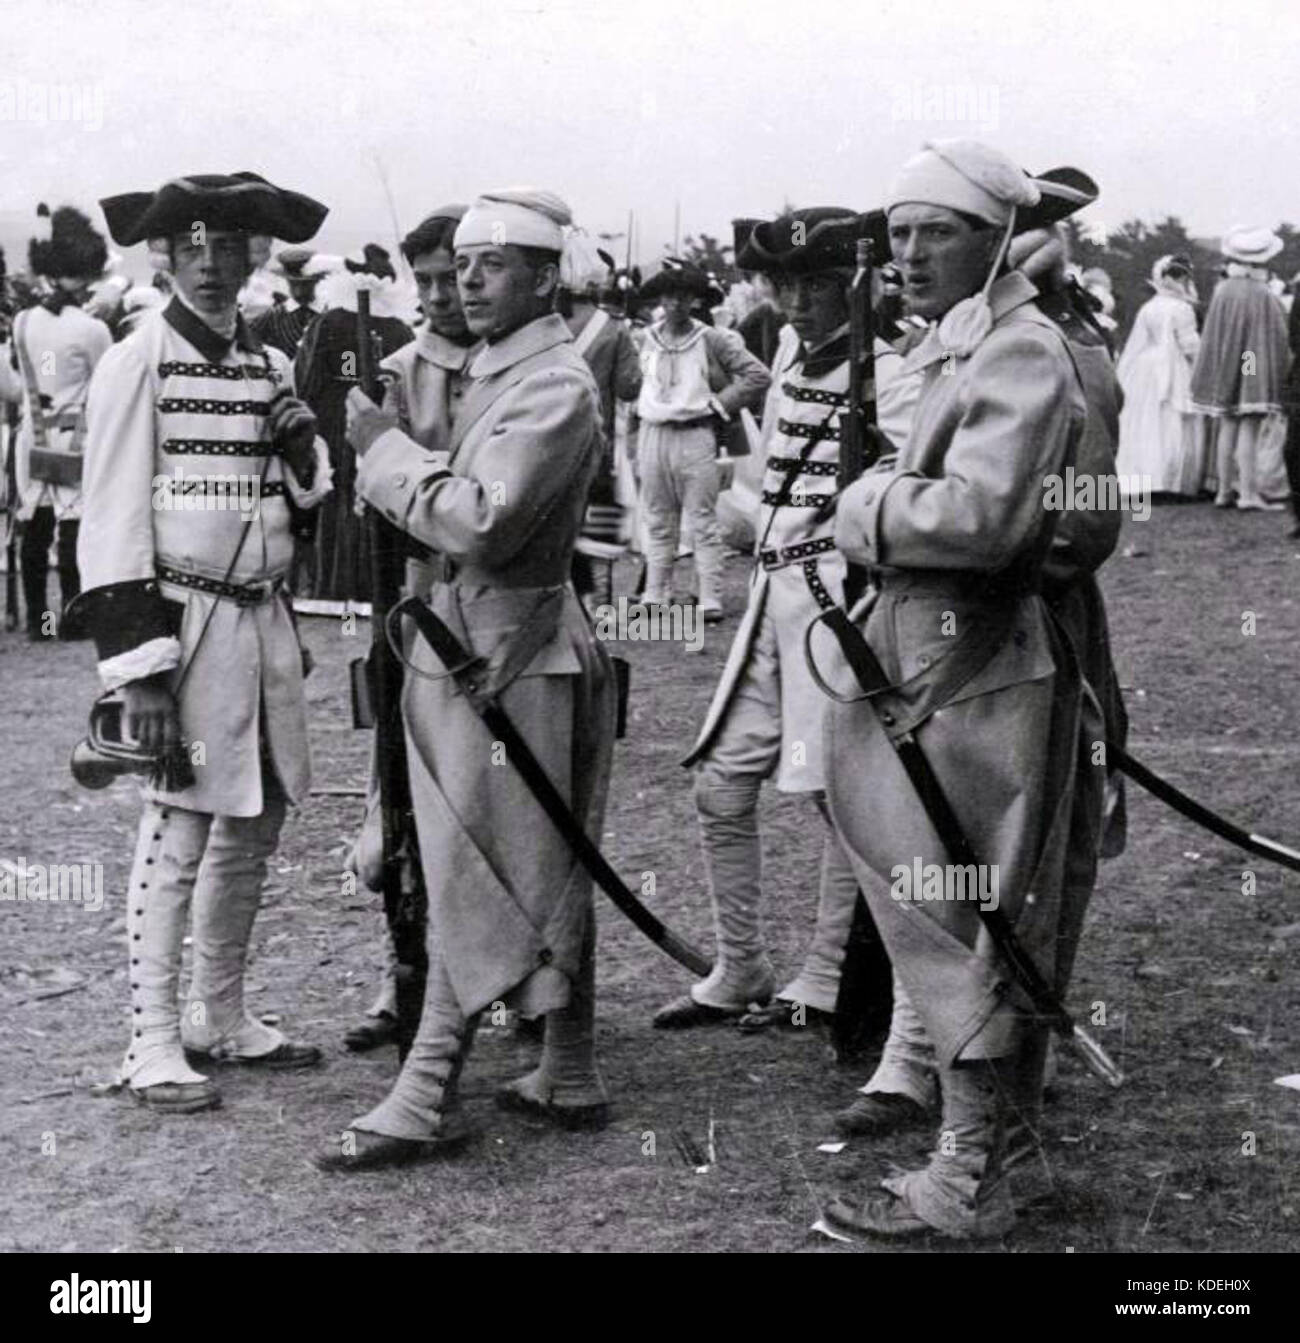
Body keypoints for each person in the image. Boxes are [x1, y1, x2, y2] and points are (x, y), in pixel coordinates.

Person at [818, 140, 1094, 1240]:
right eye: (898, 232)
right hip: (934, 662)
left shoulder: (1020, 351)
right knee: (956, 901)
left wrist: (860, 504)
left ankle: (969, 1172)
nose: (911, 252)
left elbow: (983, 520)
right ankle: (1007, 1153)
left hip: (973, 673)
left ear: (995, 240)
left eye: (938, 231)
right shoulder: (968, 343)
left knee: (963, 911)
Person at [317, 187, 615, 1171]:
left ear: (543, 278)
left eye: (496, 266)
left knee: (476, 858)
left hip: (509, 643)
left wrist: (384, 451)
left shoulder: (554, 384)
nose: (471, 282)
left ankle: (427, 1086)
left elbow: (484, 520)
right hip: (478, 637)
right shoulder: (504, 370)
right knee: (534, 852)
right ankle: (565, 1064)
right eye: (464, 264)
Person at [65, 171, 332, 1114]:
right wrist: (139, 666)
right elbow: (109, 517)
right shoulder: (137, 359)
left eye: (231, 248)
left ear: (256, 256)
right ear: (165, 257)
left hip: (262, 620)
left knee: (255, 823)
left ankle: (221, 1015)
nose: (213, 266)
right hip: (185, 624)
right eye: (193, 249)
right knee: (177, 828)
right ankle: (149, 1040)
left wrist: (305, 457)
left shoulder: (269, 364)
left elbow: (296, 501)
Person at [652, 208, 918, 1031]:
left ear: (857, 286)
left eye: (817, 286)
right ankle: (742, 965)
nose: (798, 303)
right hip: (774, 597)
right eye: (788, 285)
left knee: (839, 799)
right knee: (720, 784)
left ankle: (826, 974)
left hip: (839, 604)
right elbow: (773, 464)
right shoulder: (792, 351)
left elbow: (899, 499)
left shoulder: (897, 372)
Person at [340, 203, 478, 1055]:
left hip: (500, 604)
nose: (438, 296)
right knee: (398, 796)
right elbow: (376, 507)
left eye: (452, 278)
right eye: (422, 280)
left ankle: (517, 984)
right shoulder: (396, 367)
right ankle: (404, 974)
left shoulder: (525, 363)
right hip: (415, 601)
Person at [0, 206, 112, 640]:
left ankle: (37, 622)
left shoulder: (25, 321)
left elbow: (31, 374)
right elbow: (104, 386)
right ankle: (72, 617)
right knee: (72, 527)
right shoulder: (92, 329)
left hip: (33, 434)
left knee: (35, 526)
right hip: (74, 437)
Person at [635, 260, 770, 620]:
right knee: (659, 519)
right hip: (654, 433)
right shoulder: (645, 338)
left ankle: (710, 597)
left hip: (695, 433)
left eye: (684, 298)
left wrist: (719, 405)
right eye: (670, 298)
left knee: (703, 521)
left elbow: (757, 375)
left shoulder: (711, 338)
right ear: (661, 300)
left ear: (695, 301)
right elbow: (635, 381)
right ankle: (655, 594)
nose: (676, 305)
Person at [294, 244, 414, 601]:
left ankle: (337, 588)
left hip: (334, 424)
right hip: (381, 426)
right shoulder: (400, 329)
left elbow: (308, 378)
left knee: (338, 503)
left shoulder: (329, 322)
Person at [558, 232, 642, 607]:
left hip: (542, 444)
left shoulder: (540, 325)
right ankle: (597, 604)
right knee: (594, 527)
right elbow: (629, 388)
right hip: (594, 443)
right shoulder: (613, 328)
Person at [1190, 228, 1289, 511]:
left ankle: (1224, 490)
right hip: (1250, 360)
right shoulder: (1261, 293)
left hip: (1230, 361)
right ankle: (1247, 492)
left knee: (1228, 424)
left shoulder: (1224, 291)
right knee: (1249, 422)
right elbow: (1274, 335)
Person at [1115, 256, 1202, 497]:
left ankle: (1145, 477)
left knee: (1146, 421)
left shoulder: (1149, 307)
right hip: (1171, 367)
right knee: (1169, 421)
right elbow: (1190, 345)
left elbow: (1137, 342)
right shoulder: (1181, 308)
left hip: (1145, 367)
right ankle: (1167, 479)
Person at [250, 246, 328, 358]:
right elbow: (246, 345)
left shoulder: (331, 315)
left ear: (316, 281)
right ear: (286, 281)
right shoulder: (272, 316)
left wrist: (349, 373)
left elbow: (348, 352)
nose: (299, 291)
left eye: (305, 284)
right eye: (294, 284)